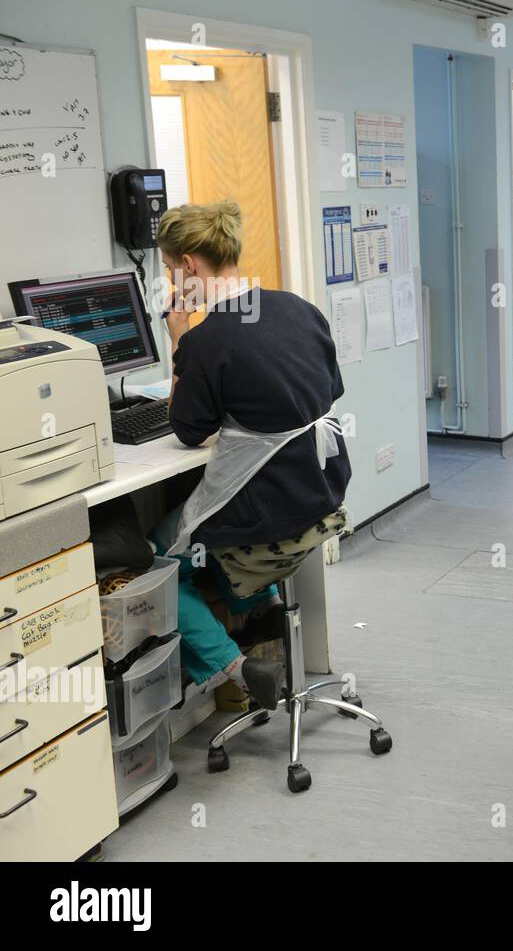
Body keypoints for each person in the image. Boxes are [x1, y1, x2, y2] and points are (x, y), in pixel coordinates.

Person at [155, 201, 352, 711]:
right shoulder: (297, 307)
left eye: (169, 271)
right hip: (319, 498)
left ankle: (237, 668)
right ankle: (263, 608)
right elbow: (328, 391)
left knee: (152, 559)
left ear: (190, 265)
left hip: (268, 520)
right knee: (211, 525)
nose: (171, 283)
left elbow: (189, 431)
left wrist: (180, 340)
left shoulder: (205, 339)